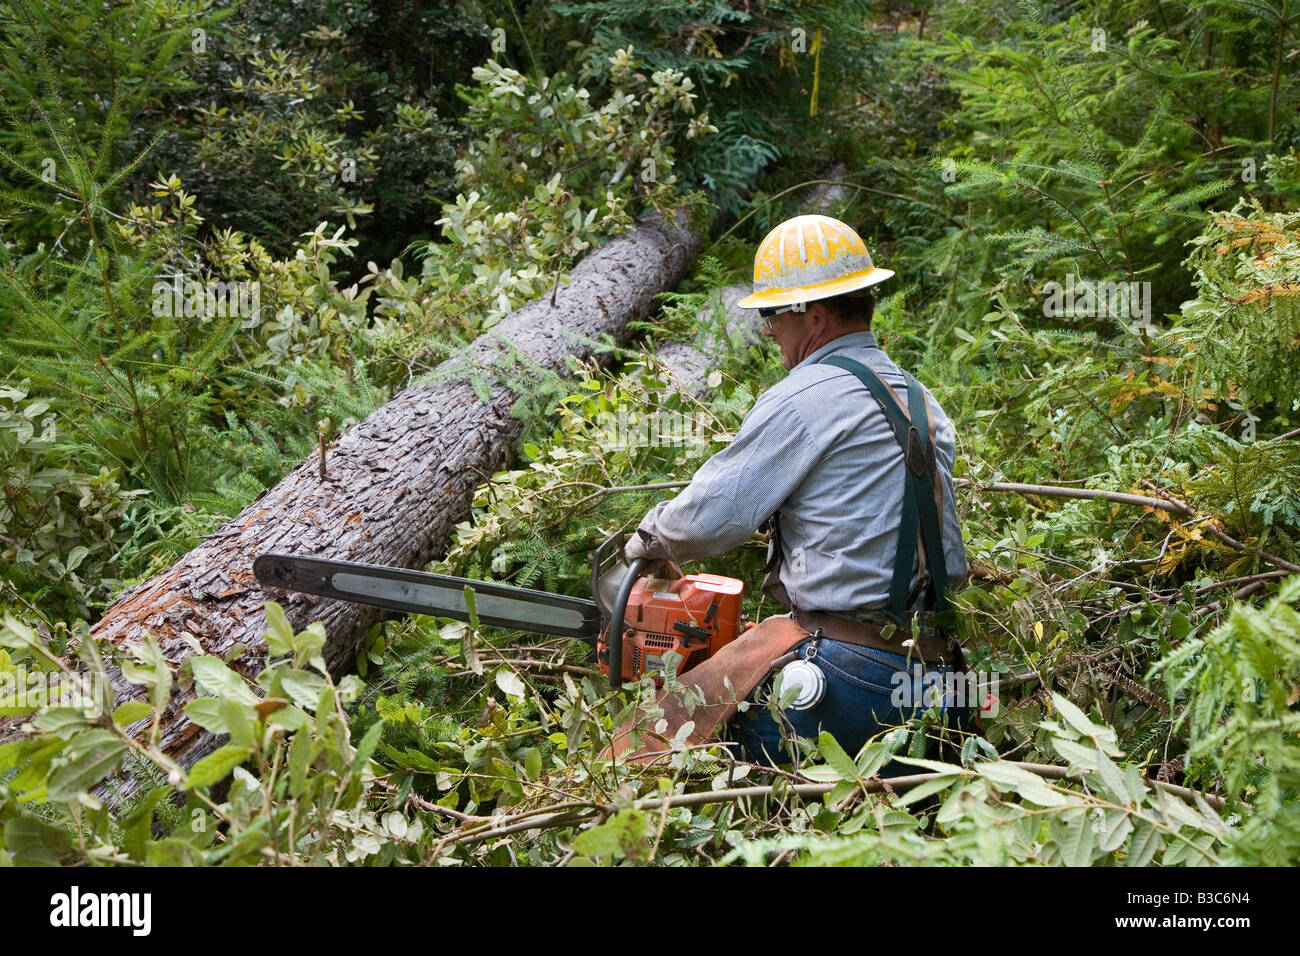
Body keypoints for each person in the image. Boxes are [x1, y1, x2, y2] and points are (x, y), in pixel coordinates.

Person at [620, 213, 969, 768]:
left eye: (770, 313)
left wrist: (646, 542)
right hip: (945, 682)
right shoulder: (923, 402)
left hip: (850, 681)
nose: (765, 329)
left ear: (815, 314)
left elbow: (708, 520)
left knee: (653, 752)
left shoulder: (805, 396)